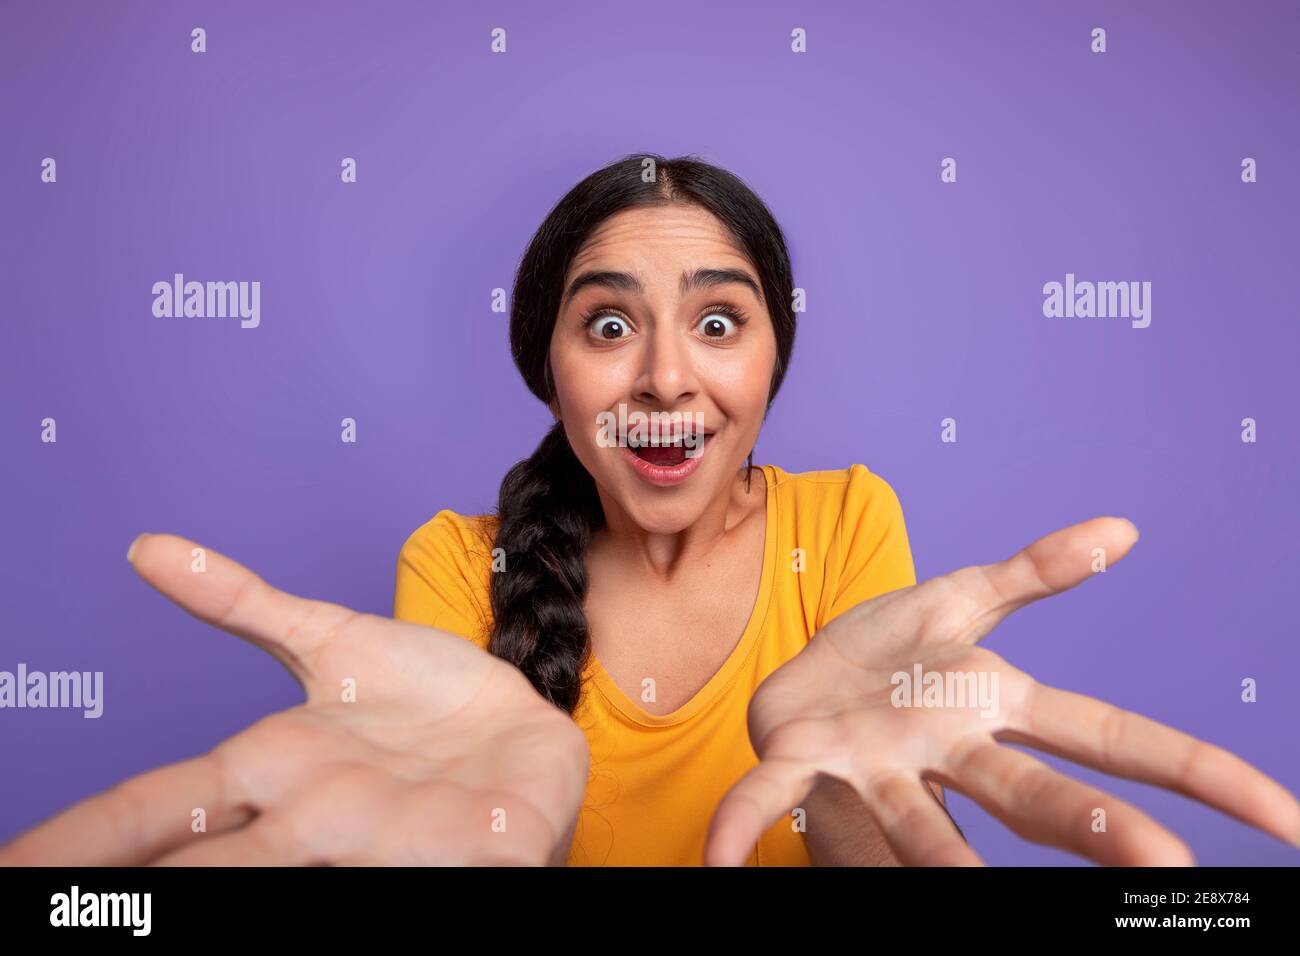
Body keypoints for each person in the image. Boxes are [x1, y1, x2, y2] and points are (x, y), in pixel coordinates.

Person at [3, 154, 1296, 867]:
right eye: (610, 323)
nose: (668, 376)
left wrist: (834, 783)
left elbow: (868, 837)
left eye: (718, 323)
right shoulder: (460, 564)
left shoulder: (846, 521)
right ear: (548, 368)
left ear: (771, 361)